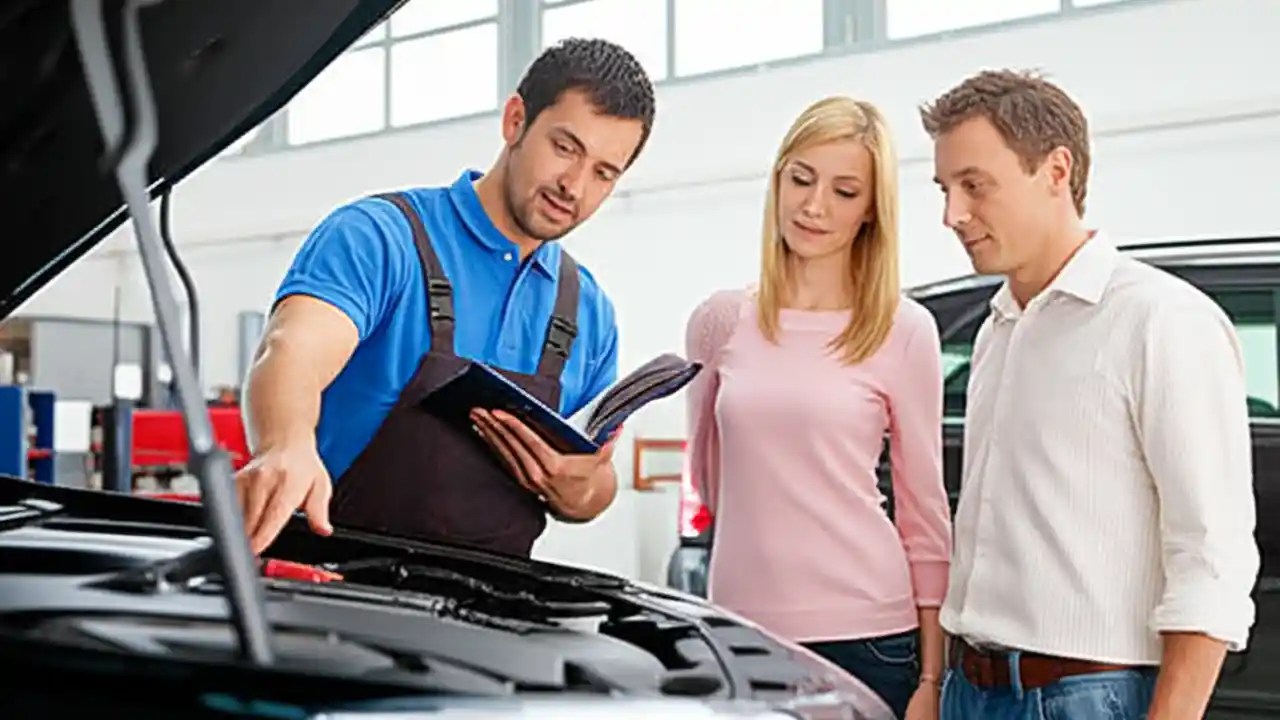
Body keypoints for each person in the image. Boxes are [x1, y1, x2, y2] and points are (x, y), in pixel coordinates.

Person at [921, 69, 1260, 719]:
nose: (952, 215)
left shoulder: (1161, 320)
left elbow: (1211, 556)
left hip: (1083, 699)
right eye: (945, 189)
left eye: (974, 186)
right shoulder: (997, 329)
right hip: (971, 691)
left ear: (1056, 170)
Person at [234, 38, 656, 558]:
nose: (575, 185)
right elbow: (291, 350)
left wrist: (581, 492)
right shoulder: (380, 237)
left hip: (489, 604)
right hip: (333, 586)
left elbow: (598, 477)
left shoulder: (589, 312)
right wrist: (284, 443)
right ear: (516, 121)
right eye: (565, 148)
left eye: (603, 173)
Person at [684, 95, 952, 719]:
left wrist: (932, 678)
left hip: (868, 635)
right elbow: (708, 479)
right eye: (801, 179)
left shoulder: (903, 329)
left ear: (871, 209)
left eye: (844, 191)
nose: (813, 206)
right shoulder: (718, 322)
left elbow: (924, 512)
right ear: (778, 179)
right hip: (739, 630)